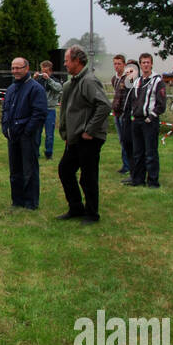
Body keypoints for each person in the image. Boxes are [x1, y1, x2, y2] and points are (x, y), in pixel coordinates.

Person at [56, 45, 111, 222]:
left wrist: (90, 130)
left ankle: (92, 213)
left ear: (77, 61)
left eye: (67, 60)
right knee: (65, 170)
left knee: (88, 177)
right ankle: (76, 208)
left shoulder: (88, 81)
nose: (65, 64)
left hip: (88, 139)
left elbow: (104, 105)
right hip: (75, 138)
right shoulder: (74, 82)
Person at [1, 56, 48, 209]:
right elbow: (6, 110)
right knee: (15, 170)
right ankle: (17, 200)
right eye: (13, 68)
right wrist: (5, 127)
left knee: (29, 169)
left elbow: (39, 113)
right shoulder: (11, 89)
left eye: (18, 68)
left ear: (26, 69)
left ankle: (30, 202)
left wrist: (27, 131)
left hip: (27, 136)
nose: (15, 71)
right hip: (12, 135)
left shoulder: (36, 88)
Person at [127, 53, 167, 188]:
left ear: (151, 64)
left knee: (151, 153)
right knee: (137, 152)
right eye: (143, 62)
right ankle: (138, 179)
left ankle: (153, 181)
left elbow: (161, 104)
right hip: (136, 121)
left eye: (148, 62)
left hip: (149, 121)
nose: (145, 65)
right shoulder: (137, 81)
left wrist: (151, 117)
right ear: (140, 64)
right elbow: (133, 99)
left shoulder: (157, 81)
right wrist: (132, 115)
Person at [32, 60, 63, 161]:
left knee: (49, 134)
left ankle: (49, 154)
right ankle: (35, 153)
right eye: (42, 71)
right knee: (37, 133)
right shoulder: (38, 81)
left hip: (50, 110)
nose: (43, 73)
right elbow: (30, 88)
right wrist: (34, 78)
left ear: (50, 71)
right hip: (38, 110)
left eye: (45, 71)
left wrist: (48, 79)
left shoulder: (55, 81)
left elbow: (58, 88)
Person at [109, 54, 132, 177]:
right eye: (115, 64)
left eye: (119, 64)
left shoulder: (128, 78)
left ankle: (128, 164)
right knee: (121, 140)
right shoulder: (114, 79)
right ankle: (125, 164)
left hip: (125, 113)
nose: (117, 66)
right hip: (116, 112)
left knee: (126, 139)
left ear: (124, 64)